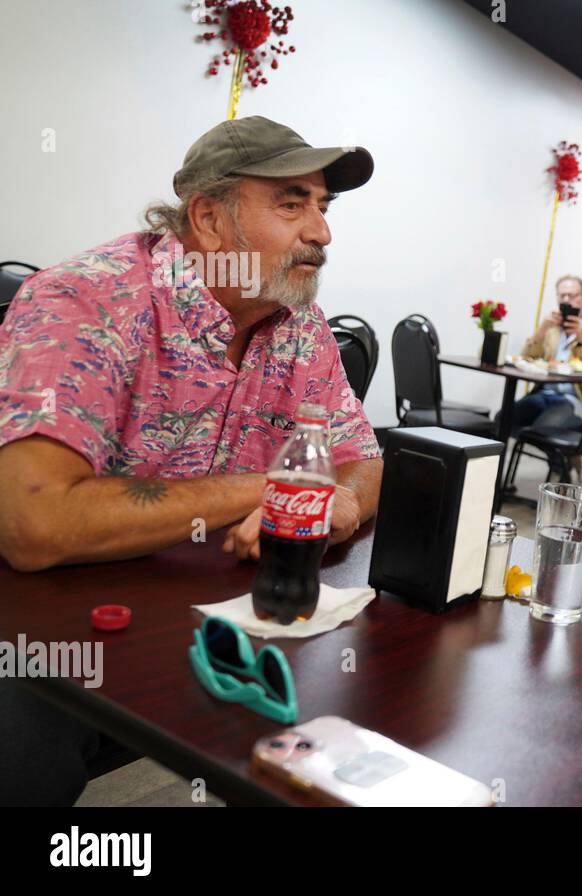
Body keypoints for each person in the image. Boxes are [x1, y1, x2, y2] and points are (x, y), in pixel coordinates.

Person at [0, 116, 383, 804]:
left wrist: (342, 501)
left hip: (205, 611)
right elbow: (37, 524)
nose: (322, 233)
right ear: (207, 218)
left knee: (367, 691)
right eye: (292, 203)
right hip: (44, 622)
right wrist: (265, 487)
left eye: (323, 208)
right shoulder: (86, 300)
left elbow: (363, 460)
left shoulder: (299, 324)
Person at [511, 274, 582, 431]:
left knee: (543, 431)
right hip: (545, 393)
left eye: (572, 295)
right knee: (504, 418)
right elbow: (526, 358)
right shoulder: (552, 327)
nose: (566, 300)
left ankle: (567, 455)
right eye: (562, 295)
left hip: (576, 399)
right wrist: (541, 330)